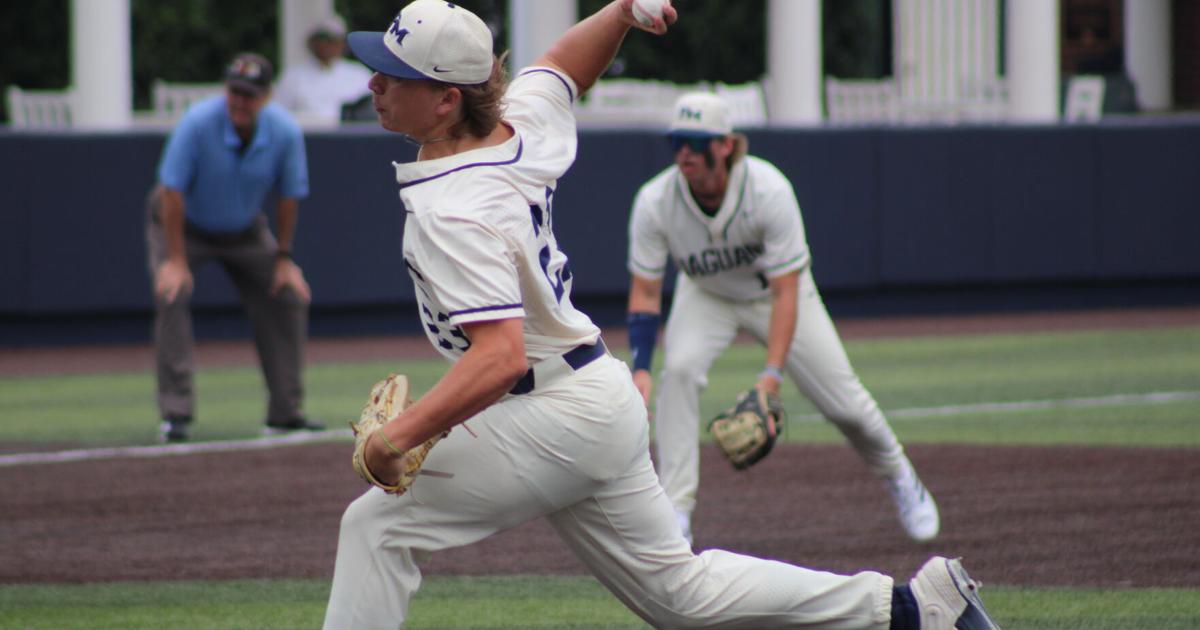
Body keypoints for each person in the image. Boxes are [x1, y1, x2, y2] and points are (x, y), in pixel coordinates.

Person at [326, 1, 1001, 628]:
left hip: (550, 410)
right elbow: (563, 65)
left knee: (376, 528)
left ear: (447, 100)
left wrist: (396, 437)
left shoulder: (454, 210)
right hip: (594, 395)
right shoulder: (515, 125)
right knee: (682, 597)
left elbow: (499, 357)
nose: (375, 82)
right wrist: (621, 11)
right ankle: (914, 609)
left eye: (393, 74)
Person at [626, 91, 941, 546]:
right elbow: (647, 289)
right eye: (677, 142)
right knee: (678, 371)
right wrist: (639, 365)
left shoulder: (768, 189)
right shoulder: (655, 201)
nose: (685, 154)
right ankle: (677, 509)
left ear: (727, 145)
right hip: (706, 293)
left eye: (696, 142)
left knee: (844, 404)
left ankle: (900, 476)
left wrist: (770, 378)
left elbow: (787, 290)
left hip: (775, 294)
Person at [146, 52, 323, 443]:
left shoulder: (285, 132)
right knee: (173, 292)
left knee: (289, 295)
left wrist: (283, 259)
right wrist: (175, 260)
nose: (240, 102)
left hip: (244, 228)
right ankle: (176, 414)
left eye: (249, 94)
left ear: (266, 96)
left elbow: (290, 196)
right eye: (234, 92)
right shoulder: (197, 123)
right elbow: (171, 192)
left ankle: (285, 412)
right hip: (182, 224)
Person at [273, 14, 373, 125]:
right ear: (312, 43)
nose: (327, 45)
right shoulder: (293, 76)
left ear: (342, 44)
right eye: (323, 39)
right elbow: (278, 115)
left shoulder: (359, 74)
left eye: (333, 40)